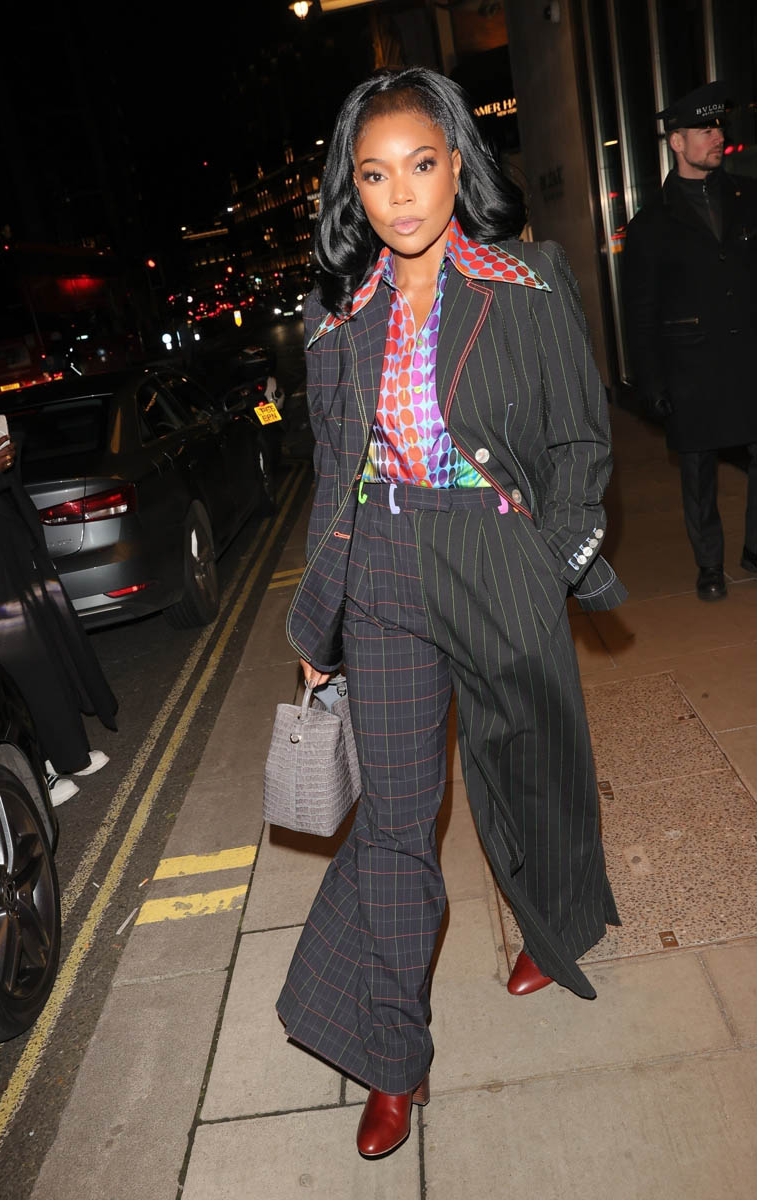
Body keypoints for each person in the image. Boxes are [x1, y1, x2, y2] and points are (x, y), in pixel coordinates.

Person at [275, 66, 626, 1159]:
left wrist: (556, 555)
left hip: (496, 554)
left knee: (526, 768)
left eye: (421, 165)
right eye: (374, 176)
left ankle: (552, 922)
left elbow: (579, 436)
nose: (403, 194)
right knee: (393, 824)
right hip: (380, 566)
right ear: (353, 192)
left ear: (457, 164)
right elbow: (332, 481)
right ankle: (393, 1056)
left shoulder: (526, 281)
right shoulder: (334, 322)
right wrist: (316, 627)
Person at [623, 80, 757, 602]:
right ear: (676, 142)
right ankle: (710, 565)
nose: (716, 136)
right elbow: (640, 312)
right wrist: (651, 381)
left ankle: (754, 548)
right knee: (698, 469)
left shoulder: (749, 197)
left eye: (718, 126)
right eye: (704, 129)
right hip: (692, 365)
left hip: (748, 354)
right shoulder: (651, 224)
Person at [0, 422, 117, 805]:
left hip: (17, 570)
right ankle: (40, 777)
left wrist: (0, 460)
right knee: (18, 684)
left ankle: (68, 755)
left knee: (51, 666)